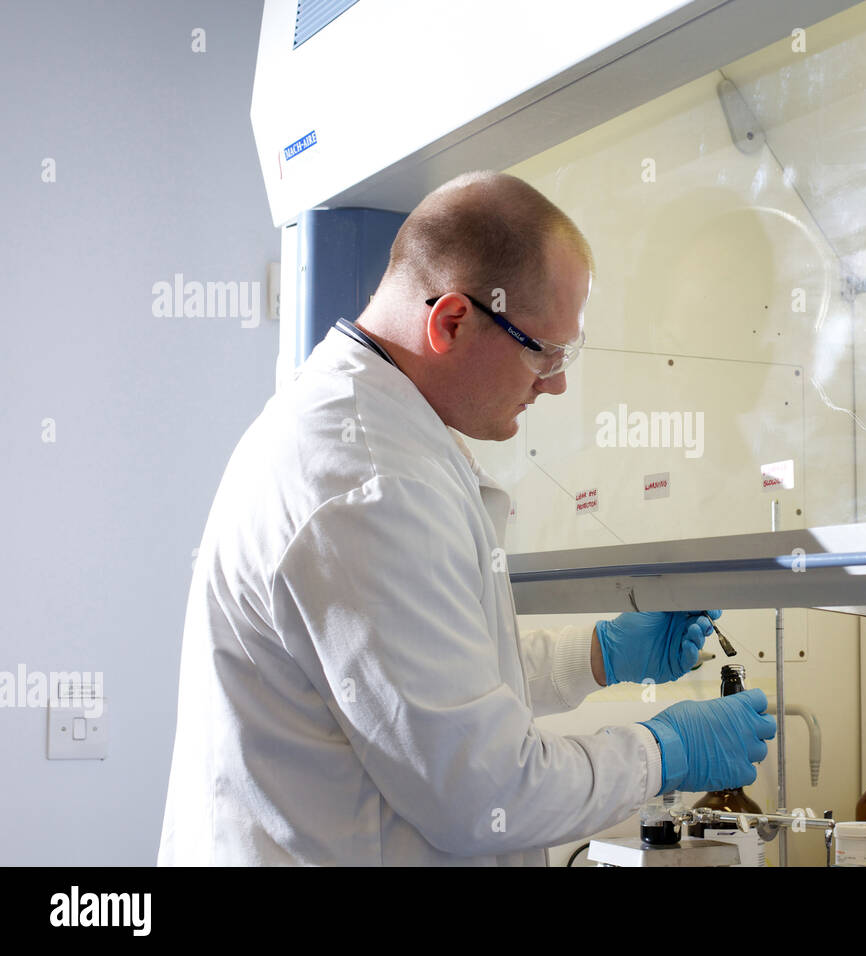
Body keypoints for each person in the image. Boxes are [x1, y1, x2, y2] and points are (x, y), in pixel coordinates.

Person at [158, 171, 776, 865]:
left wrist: (600, 655)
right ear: (451, 321)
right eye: (543, 351)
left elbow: (427, 681)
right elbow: (487, 795)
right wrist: (664, 753)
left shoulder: (370, 435)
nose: (557, 381)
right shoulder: (367, 484)